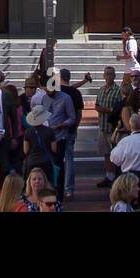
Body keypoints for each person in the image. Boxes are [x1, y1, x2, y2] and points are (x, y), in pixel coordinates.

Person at [30, 80, 75, 201]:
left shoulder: (66, 98)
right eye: (47, 90)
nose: (49, 92)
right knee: (46, 166)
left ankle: (59, 194)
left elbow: (72, 118)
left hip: (60, 136)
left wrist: (61, 125)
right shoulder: (44, 98)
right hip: (46, 136)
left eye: (51, 90)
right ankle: (47, 193)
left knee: (58, 164)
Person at [110, 113, 140, 213]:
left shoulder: (125, 142)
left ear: (130, 126)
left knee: (127, 203)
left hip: (129, 176)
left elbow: (114, 159)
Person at [59, 70, 86, 199]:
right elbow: (79, 113)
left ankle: (56, 184)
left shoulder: (57, 92)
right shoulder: (75, 92)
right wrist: (76, 126)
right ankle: (69, 187)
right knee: (69, 157)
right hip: (70, 128)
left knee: (56, 158)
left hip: (57, 129)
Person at [94, 65, 122, 188]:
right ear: (103, 76)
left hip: (113, 128)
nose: (108, 76)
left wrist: (107, 109)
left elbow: (119, 108)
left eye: (111, 74)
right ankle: (109, 176)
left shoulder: (118, 90)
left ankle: (117, 177)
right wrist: (100, 108)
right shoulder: (101, 90)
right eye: (106, 74)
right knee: (106, 153)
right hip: (102, 127)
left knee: (115, 153)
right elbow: (97, 105)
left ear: (114, 76)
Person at [24, 104, 57, 180]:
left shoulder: (28, 132)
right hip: (46, 161)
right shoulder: (50, 131)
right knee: (47, 184)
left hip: (32, 162)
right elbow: (54, 149)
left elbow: (25, 151)